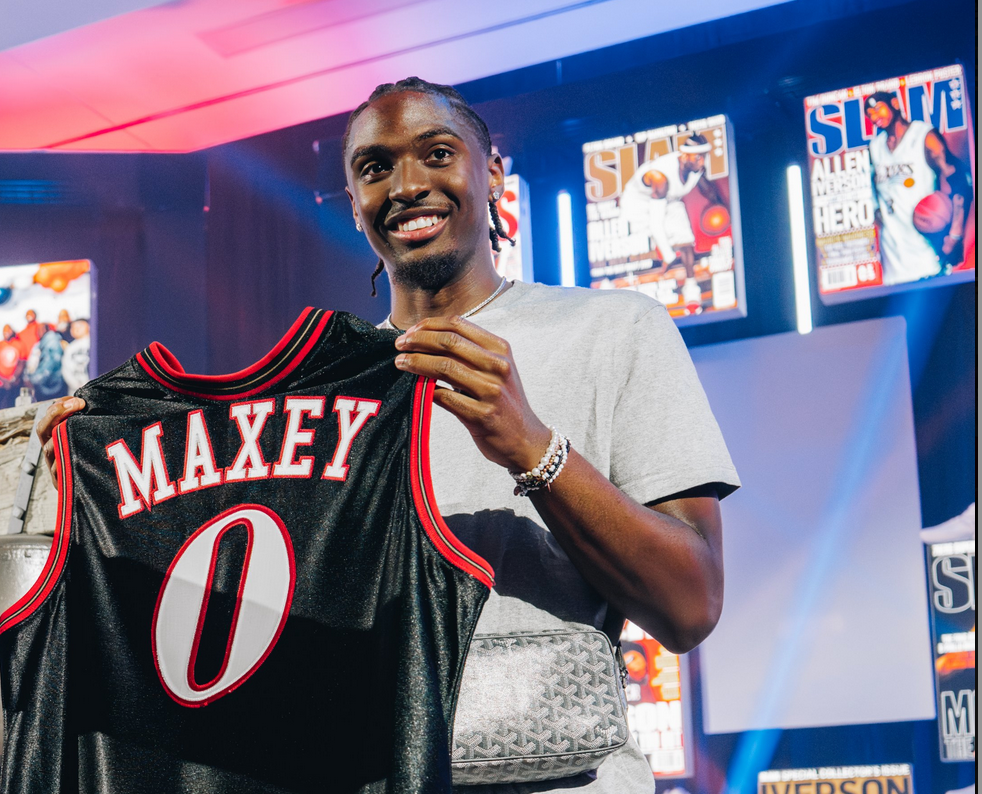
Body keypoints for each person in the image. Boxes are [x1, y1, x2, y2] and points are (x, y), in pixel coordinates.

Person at [36, 78, 738, 793]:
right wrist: (106, 499)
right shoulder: (313, 402)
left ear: (493, 173)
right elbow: (240, 644)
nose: (406, 185)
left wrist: (531, 447)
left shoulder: (614, 331)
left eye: (437, 154)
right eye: (375, 168)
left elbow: (690, 605)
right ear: (355, 204)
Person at [863, 91, 972, 285]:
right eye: (870, 113)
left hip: (927, 255)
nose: (875, 116)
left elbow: (959, 181)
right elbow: (872, 193)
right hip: (893, 259)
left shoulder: (924, 136)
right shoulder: (874, 147)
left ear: (895, 104)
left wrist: (955, 233)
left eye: (878, 109)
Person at [618, 134, 726, 277]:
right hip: (636, 207)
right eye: (698, 157)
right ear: (684, 156)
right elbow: (656, 223)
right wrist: (668, 256)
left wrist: (727, 210)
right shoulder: (660, 177)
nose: (701, 162)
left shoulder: (696, 168)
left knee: (686, 238)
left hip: (668, 200)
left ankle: (691, 284)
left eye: (704, 157)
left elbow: (708, 190)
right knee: (640, 247)